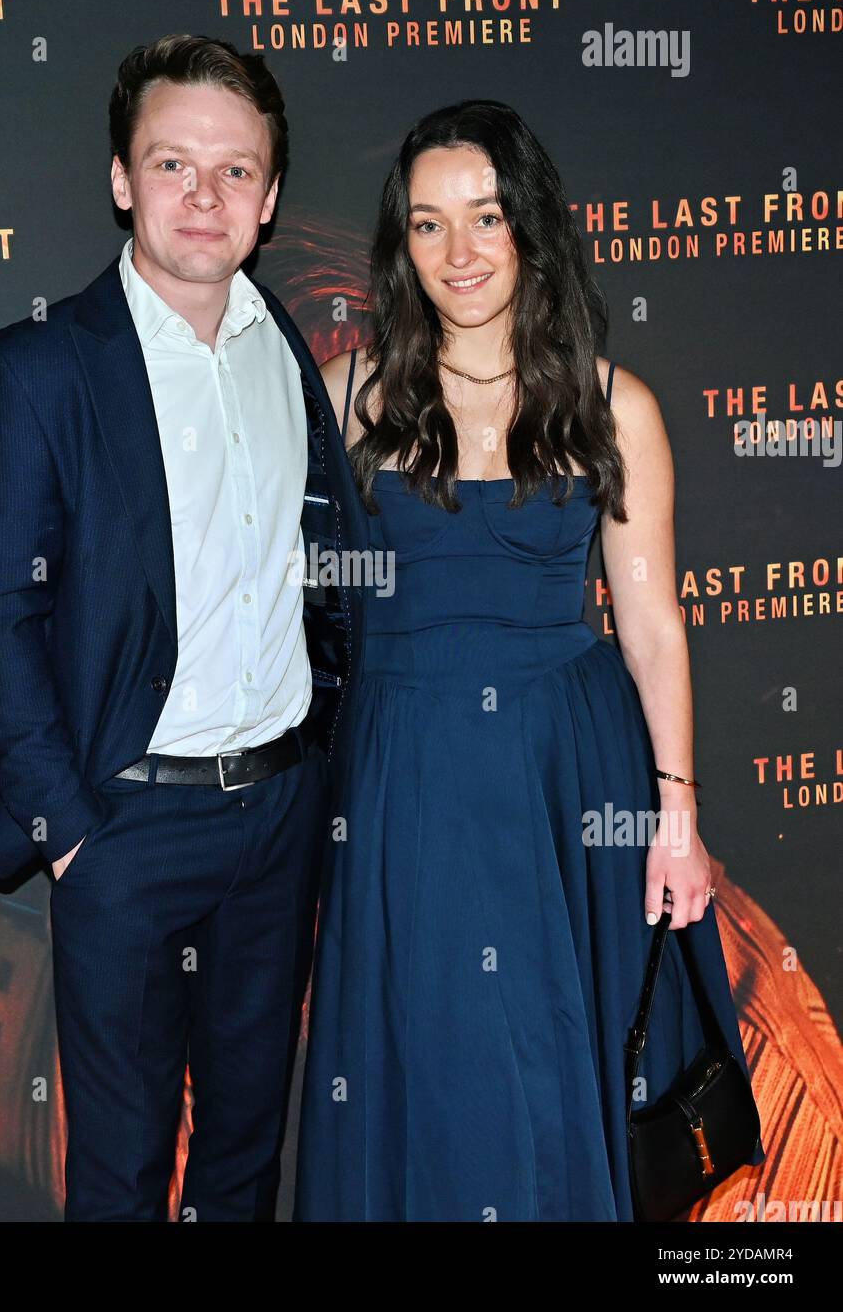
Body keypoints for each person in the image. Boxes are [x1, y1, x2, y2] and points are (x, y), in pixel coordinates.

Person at [293, 99, 765, 1221]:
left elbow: (649, 621)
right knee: (429, 1054)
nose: (457, 254)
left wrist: (676, 814)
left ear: (530, 228)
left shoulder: (611, 403)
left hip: (566, 770)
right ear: (398, 246)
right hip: (404, 769)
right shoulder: (350, 396)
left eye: (484, 218)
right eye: (425, 225)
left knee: (550, 1057)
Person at [0, 33, 367, 1221]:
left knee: (244, 1158)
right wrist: (70, 829)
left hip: (277, 817)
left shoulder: (289, 353)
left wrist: (316, 767)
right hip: (124, 827)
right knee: (123, 1175)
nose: (204, 195)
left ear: (271, 196)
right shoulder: (38, 369)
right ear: (122, 179)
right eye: (172, 163)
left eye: (235, 171)